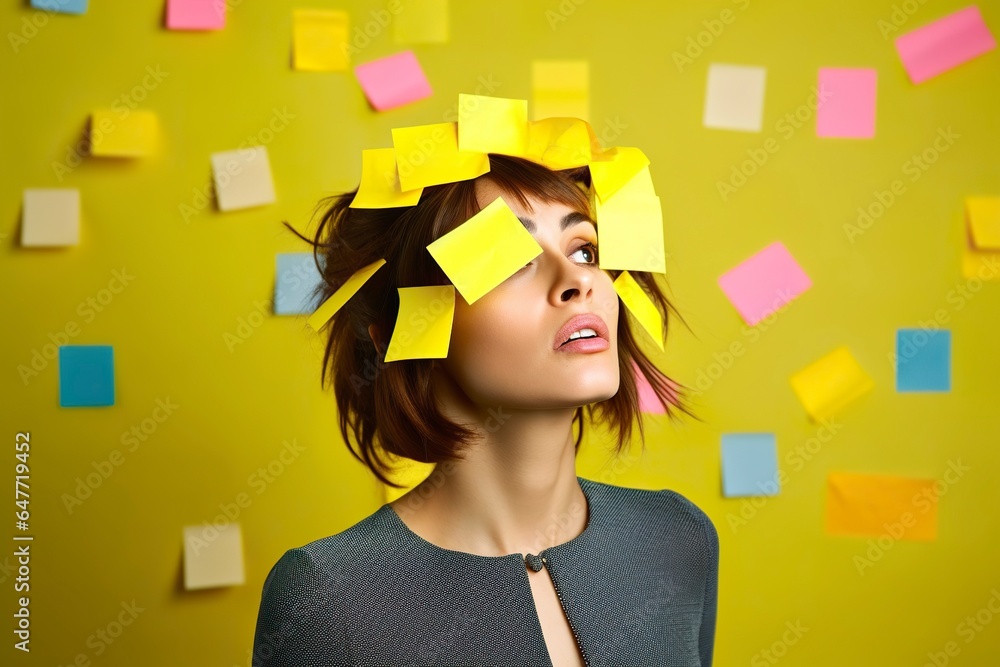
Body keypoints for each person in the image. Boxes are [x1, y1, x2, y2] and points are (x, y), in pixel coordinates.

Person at [251, 105, 719, 667]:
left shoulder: (679, 541)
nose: (577, 281)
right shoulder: (327, 600)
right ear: (405, 333)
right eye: (507, 262)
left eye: (584, 250)